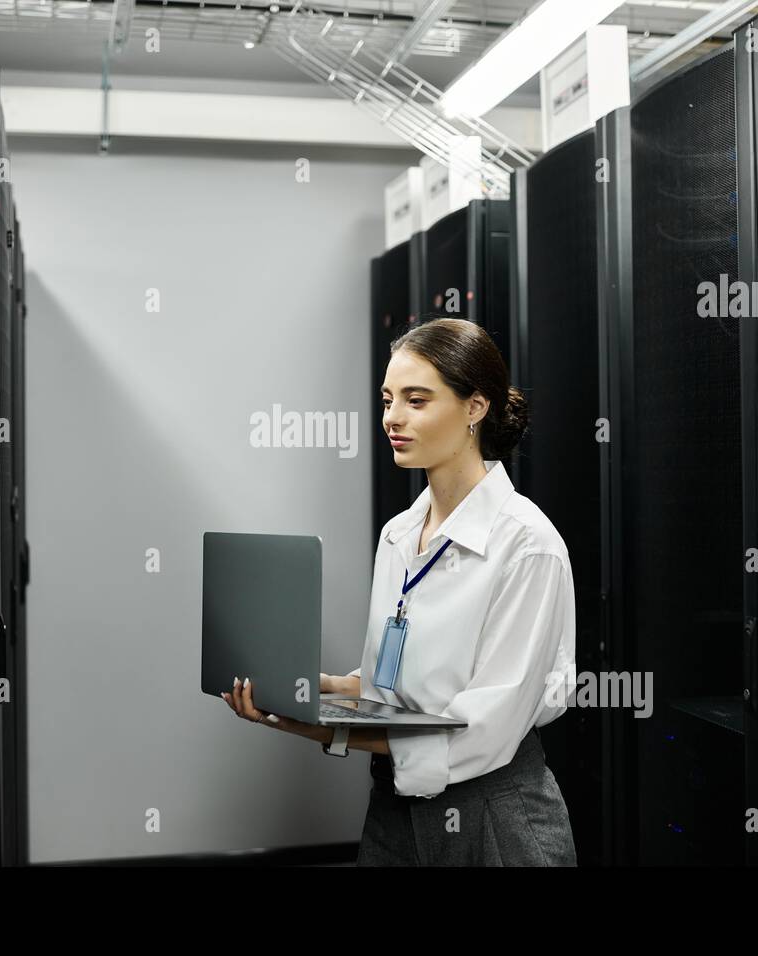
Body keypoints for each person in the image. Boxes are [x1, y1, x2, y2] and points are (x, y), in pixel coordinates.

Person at [222, 316, 577, 866]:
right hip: (393, 814)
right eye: (388, 400)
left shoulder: (527, 545)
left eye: (416, 400)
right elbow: (390, 687)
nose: (392, 418)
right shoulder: (399, 535)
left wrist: (317, 723)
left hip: (494, 819)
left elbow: (479, 730)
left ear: (474, 408)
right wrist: (305, 691)